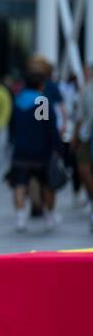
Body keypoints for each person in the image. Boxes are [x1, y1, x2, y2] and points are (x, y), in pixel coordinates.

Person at [8, 68, 62, 232]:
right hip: (40, 152)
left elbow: (12, 126)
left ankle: (20, 217)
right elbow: (48, 127)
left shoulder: (18, 101)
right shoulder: (41, 102)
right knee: (47, 184)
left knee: (20, 184)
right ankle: (49, 216)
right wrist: (58, 146)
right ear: (41, 85)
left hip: (21, 150)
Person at [74, 63, 93, 231]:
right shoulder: (86, 91)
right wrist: (76, 135)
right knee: (84, 169)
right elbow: (80, 116)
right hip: (87, 135)